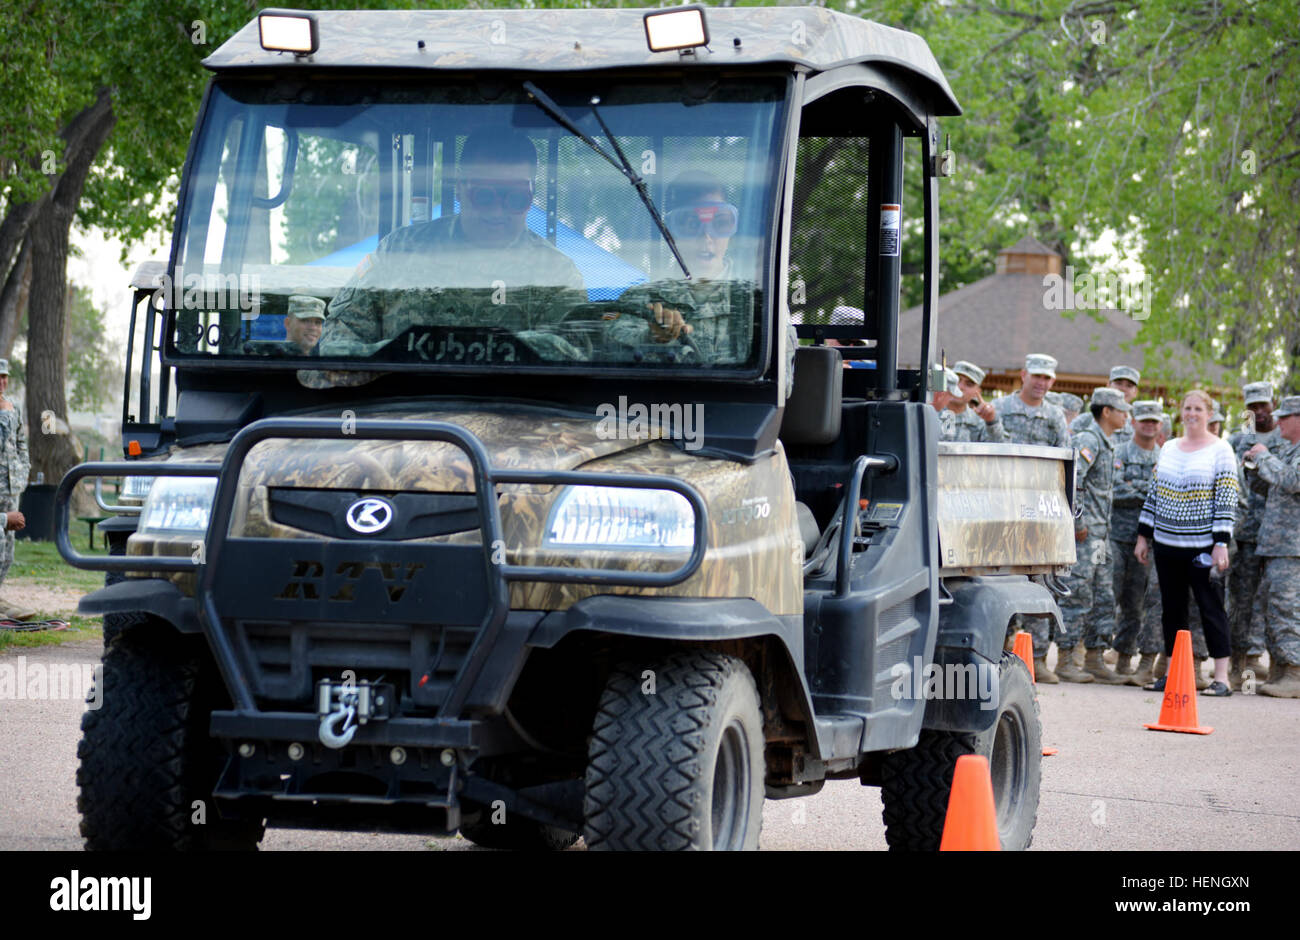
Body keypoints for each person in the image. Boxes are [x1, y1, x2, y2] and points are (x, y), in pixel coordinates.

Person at [317, 128, 587, 364]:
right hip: (401, 411)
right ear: (459, 188)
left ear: (531, 196)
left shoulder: (556, 273)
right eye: (483, 196)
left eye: (515, 198)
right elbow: (338, 337)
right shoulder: (400, 252)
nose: (497, 211)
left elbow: (575, 358)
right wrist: (401, 359)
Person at [608, 170, 796, 393]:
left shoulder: (760, 302)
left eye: (720, 223)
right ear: (670, 232)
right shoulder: (642, 299)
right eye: (690, 224)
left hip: (733, 420)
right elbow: (606, 353)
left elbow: (779, 386)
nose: (707, 237)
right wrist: (650, 337)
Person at [1135, 390, 1239, 696]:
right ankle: (1173, 673)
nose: (1192, 413)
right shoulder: (1168, 447)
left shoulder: (1221, 450)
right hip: (1166, 544)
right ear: (1181, 412)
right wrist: (1144, 535)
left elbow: (1226, 499)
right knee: (1172, 610)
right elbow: (1154, 493)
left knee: (1211, 607)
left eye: (1198, 409)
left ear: (1209, 414)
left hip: (1202, 547)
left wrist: (1220, 542)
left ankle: (1221, 677)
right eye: (1187, 408)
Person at [994, 353, 1070, 673]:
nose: (1041, 382)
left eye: (1047, 378)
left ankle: (1036, 658)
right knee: (1000, 579)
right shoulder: (999, 410)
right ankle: (999, 650)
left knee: (1039, 583)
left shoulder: (1055, 416)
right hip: (1002, 509)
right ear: (1023, 375)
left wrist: (1065, 512)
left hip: (1040, 513)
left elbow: (1065, 464)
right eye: (1036, 375)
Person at [1056, 387, 1130, 683]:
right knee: (1079, 593)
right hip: (1086, 535)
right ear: (1106, 412)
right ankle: (1065, 658)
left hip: (1101, 535)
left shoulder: (1106, 442)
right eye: (1121, 409)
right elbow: (1072, 481)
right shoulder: (1088, 439)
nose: (1127, 415)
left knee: (1102, 595)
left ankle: (1095, 657)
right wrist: (1077, 523)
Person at [1225, 381, 1283, 687]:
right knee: (1242, 600)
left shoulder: (1284, 438)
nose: (1258, 411)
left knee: (1276, 599)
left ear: (1273, 403)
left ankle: (1276, 665)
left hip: (1279, 533)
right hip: (1246, 533)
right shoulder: (1238, 439)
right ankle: (1238, 663)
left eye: (1264, 404)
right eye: (1253, 405)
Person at [1243, 394, 1300, 697]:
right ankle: (1281, 668)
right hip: (1277, 545)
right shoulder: (1290, 451)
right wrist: (1254, 469)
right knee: (1272, 606)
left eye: (1285, 416)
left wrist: (1264, 456)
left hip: (1293, 547)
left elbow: (1293, 481)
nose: (1278, 422)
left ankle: (1294, 671)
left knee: (1286, 608)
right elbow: (1273, 490)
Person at [1110, 400, 1164, 686]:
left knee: (1136, 602)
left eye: (1154, 421)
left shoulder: (1165, 457)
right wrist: (1147, 491)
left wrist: (1134, 489)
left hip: (1150, 542)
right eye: (1144, 420)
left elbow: (1164, 493)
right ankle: (1094, 654)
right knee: (1110, 596)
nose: (1149, 425)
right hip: (1117, 537)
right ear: (1133, 421)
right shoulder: (1118, 452)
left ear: (1161, 425)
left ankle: (1124, 659)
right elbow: (1113, 488)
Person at [0, 358, 32, 623]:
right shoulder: (4, 409)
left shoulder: (13, 407)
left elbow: (21, 442)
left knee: (8, 548)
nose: (2, 382)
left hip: (11, 486)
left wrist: (23, 470)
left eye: (4, 376)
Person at [1071, 365, 1139, 445]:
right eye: (1119, 383)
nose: (1123, 388)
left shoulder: (1137, 428)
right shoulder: (1084, 421)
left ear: (1135, 392)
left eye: (1129, 386)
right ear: (1108, 385)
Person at [942, 361, 1006, 442]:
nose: (960, 387)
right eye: (957, 380)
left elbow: (998, 446)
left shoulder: (979, 423)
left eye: (969, 384)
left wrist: (992, 422)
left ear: (977, 392)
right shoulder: (930, 413)